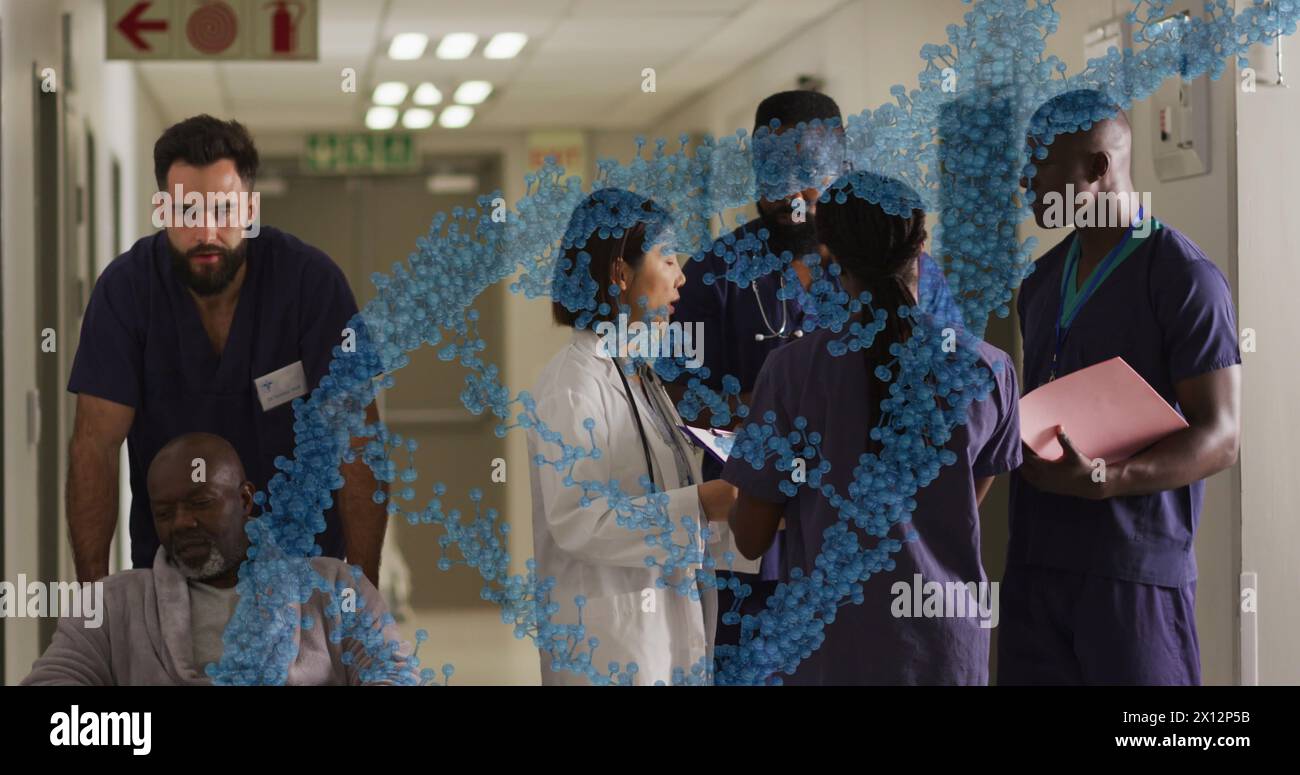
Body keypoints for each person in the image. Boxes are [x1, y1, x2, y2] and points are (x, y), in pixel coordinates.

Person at [667, 90, 962, 644]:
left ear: (843, 168)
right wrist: (751, 407)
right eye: (770, 175)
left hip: (872, 540)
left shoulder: (902, 270)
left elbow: (956, 390)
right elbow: (677, 390)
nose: (786, 196)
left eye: (804, 174)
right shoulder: (714, 273)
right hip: (754, 545)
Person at [722, 172, 1021, 684]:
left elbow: (750, 538)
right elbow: (961, 505)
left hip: (834, 653)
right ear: (921, 245)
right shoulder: (987, 369)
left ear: (827, 253)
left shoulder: (791, 372)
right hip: (944, 650)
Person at [66, 114, 386, 585]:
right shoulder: (127, 291)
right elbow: (94, 445)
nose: (205, 233)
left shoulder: (309, 285)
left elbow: (356, 444)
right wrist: (93, 605)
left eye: (223, 210)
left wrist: (363, 596)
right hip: (174, 570)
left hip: (301, 573)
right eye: (186, 212)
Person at [1003, 90, 1241, 685]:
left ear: (1097, 168)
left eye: (1040, 165)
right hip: (1036, 564)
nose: (1025, 183)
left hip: (1132, 572)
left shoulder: (1185, 278)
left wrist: (1110, 480)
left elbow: (1221, 437)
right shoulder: (1040, 280)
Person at [526, 188, 757, 685]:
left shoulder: (640, 374)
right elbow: (579, 521)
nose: (681, 276)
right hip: (608, 647)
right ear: (620, 273)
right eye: (668, 258)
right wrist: (702, 503)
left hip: (660, 637)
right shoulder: (574, 384)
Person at [24, 433, 414, 686]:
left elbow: (394, 675)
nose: (182, 523)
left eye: (200, 503)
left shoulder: (333, 587)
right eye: (164, 512)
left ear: (245, 500)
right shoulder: (113, 605)